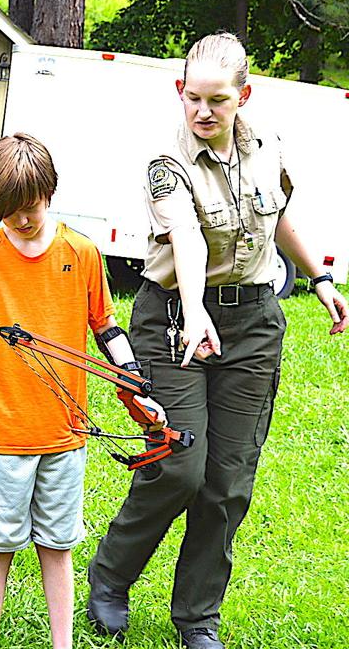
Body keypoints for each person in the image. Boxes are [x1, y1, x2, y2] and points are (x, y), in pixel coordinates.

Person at [85, 33, 347, 649]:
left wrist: (321, 278)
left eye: (218, 101)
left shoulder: (265, 146)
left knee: (227, 479)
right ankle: (111, 575)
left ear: (242, 96)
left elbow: (277, 214)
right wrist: (197, 310)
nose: (203, 112)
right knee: (180, 465)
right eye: (193, 98)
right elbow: (187, 237)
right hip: (175, 316)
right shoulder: (165, 158)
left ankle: (197, 617)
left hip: (253, 322)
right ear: (181, 91)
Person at [0, 134, 166, 649]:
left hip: (65, 435)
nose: (21, 220)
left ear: (49, 190)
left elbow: (106, 327)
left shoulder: (81, 253)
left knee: (57, 547)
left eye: (29, 207)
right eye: (7, 212)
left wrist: (136, 379)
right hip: (3, 435)